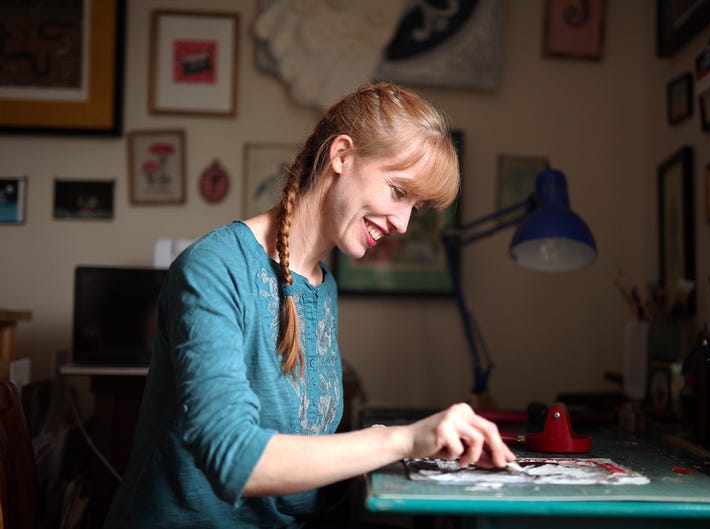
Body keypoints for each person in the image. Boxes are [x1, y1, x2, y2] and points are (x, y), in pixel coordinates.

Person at [103, 82, 515, 529]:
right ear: (341, 156)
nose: (401, 223)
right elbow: (235, 458)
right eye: (399, 192)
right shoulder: (213, 268)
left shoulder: (321, 286)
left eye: (415, 208)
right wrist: (400, 438)